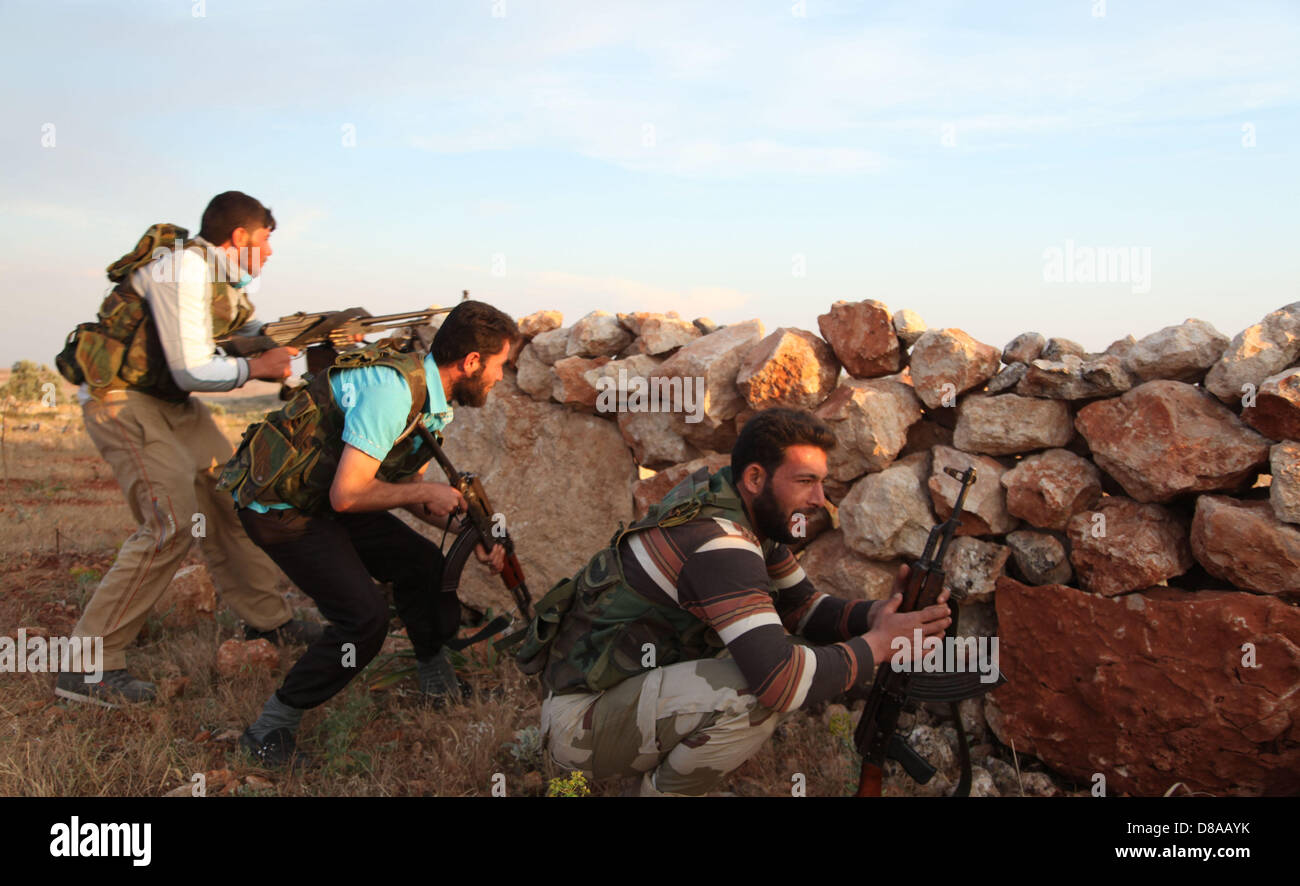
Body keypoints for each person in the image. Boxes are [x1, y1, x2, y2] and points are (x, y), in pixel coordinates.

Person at [518, 408, 954, 796]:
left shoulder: (740, 512)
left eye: (821, 482)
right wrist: (878, 645)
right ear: (755, 478)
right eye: (805, 481)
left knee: (778, 656)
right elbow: (780, 684)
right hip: (576, 725)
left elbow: (803, 609)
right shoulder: (721, 543)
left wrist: (877, 615)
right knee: (757, 690)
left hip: (611, 696)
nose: (820, 499)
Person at [216, 300, 518, 766]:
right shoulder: (393, 391)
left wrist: (467, 533)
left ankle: (434, 675)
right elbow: (349, 495)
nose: (500, 378)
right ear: (472, 361)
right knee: (364, 620)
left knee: (424, 565)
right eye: (501, 365)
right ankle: (271, 726)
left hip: (326, 498)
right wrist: (433, 495)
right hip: (281, 507)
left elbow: (404, 492)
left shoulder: (430, 401)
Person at [56, 191, 319, 708]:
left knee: (234, 496)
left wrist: (304, 334)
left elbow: (238, 333)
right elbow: (193, 368)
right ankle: (88, 667)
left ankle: (269, 622)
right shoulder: (183, 269)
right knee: (170, 522)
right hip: (124, 402)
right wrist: (257, 368)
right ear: (240, 236)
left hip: (169, 403)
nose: (268, 255)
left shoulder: (218, 277)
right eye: (265, 243)